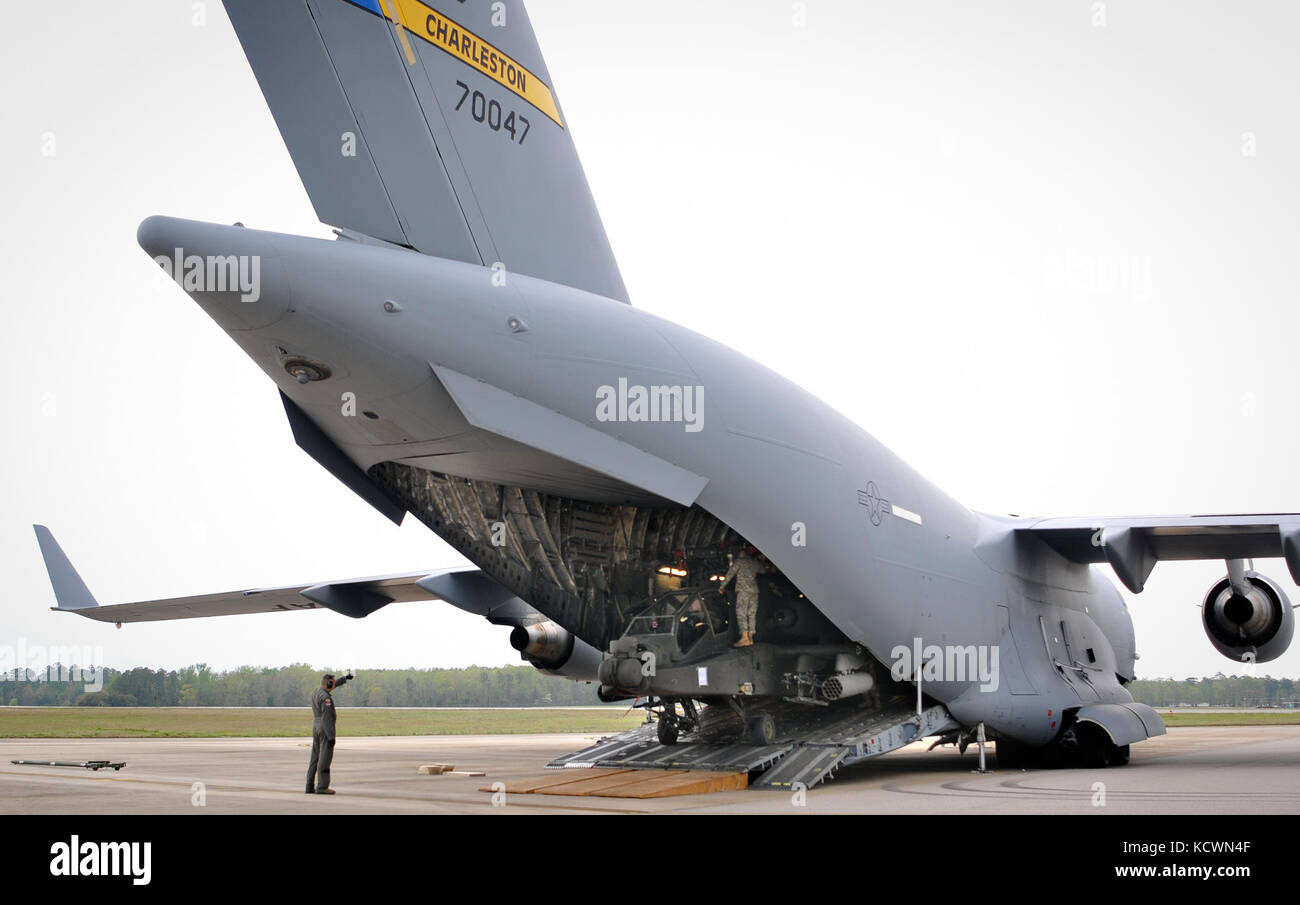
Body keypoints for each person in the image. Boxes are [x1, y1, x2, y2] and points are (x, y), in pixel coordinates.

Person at [306, 671, 352, 794]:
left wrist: (345, 679)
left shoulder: (316, 692)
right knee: (324, 759)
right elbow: (327, 718)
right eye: (333, 682)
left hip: (316, 726)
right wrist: (331, 736)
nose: (334, 685)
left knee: (314, 758)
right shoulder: (326, 698)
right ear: (329, 683)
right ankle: (322, 787)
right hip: (324, 728)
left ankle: (309, 785)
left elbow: (332, 685)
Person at [719, 548, 764, 647]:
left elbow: (730, 574)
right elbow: (763, 570)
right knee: (751, 614)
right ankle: (750, 638)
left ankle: (744, 638)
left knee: (741, 613)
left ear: (742, 553)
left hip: (744, 591)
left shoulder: (739, 561)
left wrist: (722, 586)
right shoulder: (754, 563)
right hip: (754, 592)